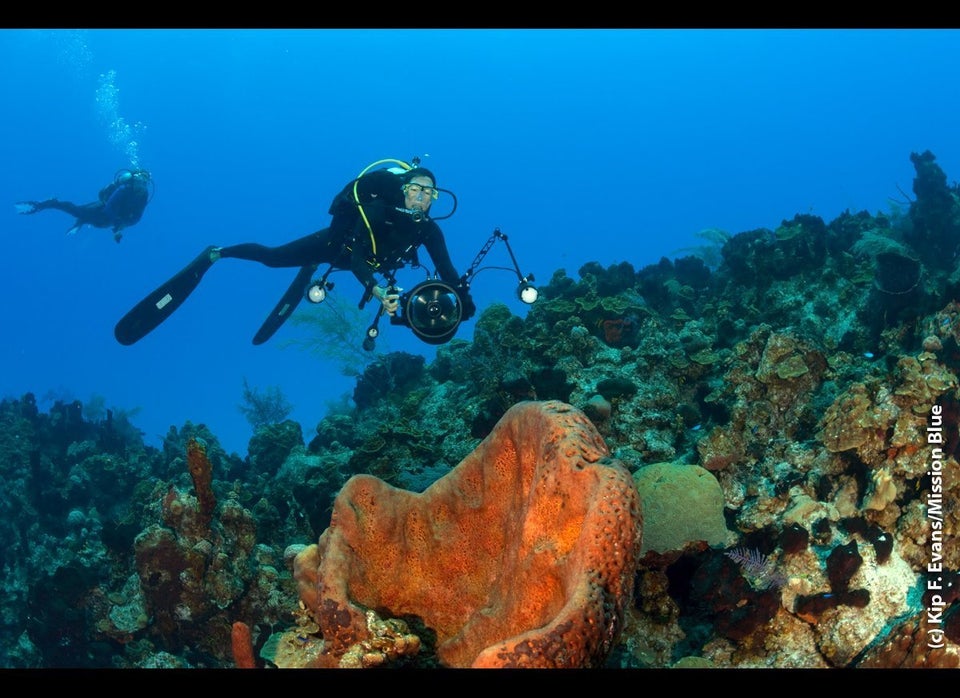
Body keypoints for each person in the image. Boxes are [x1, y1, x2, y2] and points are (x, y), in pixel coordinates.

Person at [114, 162, 476, 346]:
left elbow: (446, 268)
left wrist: (462, 298)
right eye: (416, 189)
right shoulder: (379, 212)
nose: (423, 198)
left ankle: (312, 268)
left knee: (316, 264)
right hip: (337, 247)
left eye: (430, 193)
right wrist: (378, 291)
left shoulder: (429, 229)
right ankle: (217, 253)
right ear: (403, 189)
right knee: (272, 257)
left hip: (367, 266)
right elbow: (359, 257)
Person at [15, 168, 153, 243]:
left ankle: (77, 221)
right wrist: (118, 227)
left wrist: (119, 229)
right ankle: (44, 204)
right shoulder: (126, 188)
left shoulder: (141, 195)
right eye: (142, 178)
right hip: (105, 212)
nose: (142, 182)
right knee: (78, 212)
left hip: (107, 217)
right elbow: (112, 205)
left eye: (145, 180)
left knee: (84, 215)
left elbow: (135, 217)